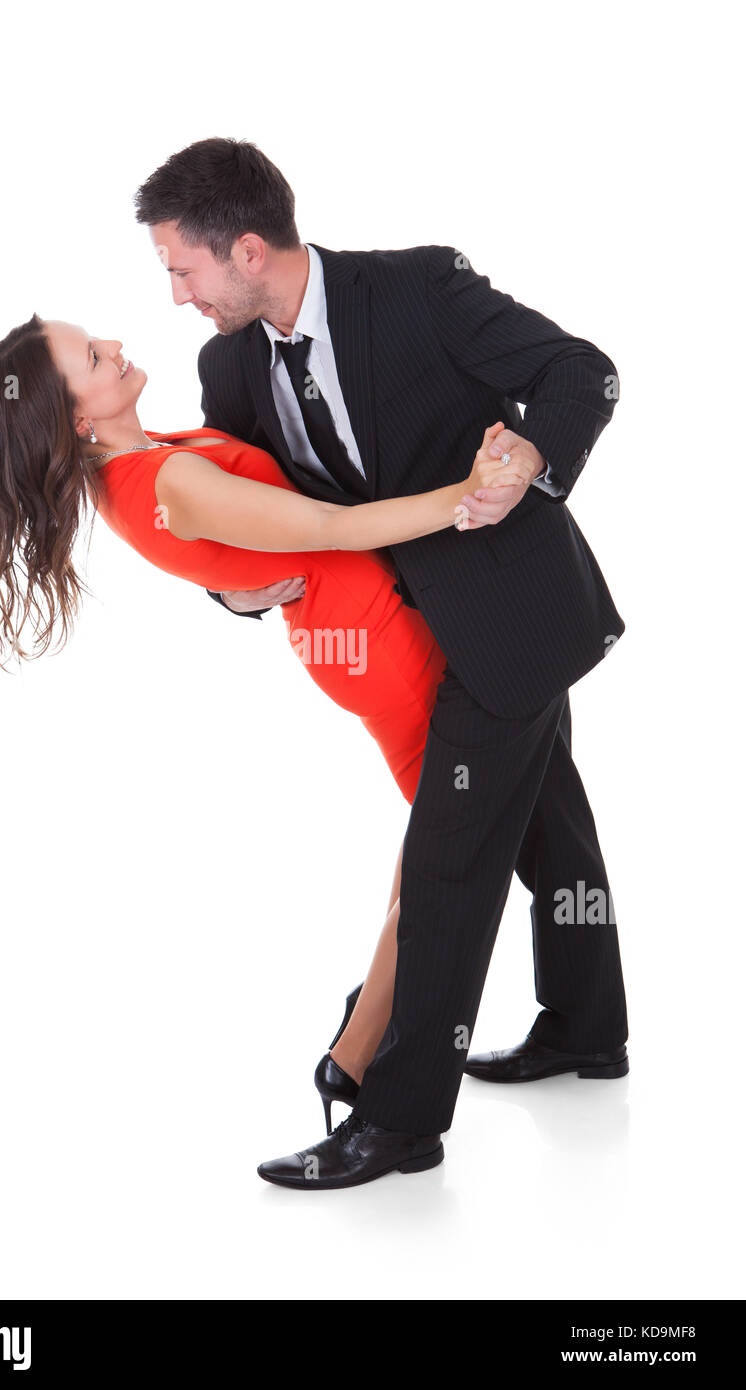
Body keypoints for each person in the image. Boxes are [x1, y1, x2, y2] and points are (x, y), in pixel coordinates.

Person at [133, 136, 630, 1190]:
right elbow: (257, 529)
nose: (175, 294)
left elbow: (578, 369)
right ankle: (587, 1029)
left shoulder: (415, 288)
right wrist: (238, 593)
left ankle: (397, 1120)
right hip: (404, 639)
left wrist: (531, 458)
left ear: (249, 248)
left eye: (183, 268)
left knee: (447, 862)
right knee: (548, 821)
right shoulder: (228, 367)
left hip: (512, 617)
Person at [0, 313, 531, 1128]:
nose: (117, 345)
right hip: (379, 647)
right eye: (93, 356)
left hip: (368, 625)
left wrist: (233, 585)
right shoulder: (159, 484)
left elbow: (241, 550)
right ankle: (360, 1059)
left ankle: (363, 1035)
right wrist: (470, 492)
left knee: (440, 839)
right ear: (74, 420)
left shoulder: (144, 454)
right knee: (450, 851)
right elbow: (328, 530)